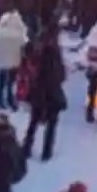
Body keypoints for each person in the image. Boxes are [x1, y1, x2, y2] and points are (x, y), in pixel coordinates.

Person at [21, 30, 65, 161]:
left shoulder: (37, 54)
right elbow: (61, 75)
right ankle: (47, 151)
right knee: (51, 125)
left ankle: (27, 147)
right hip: (53, 94)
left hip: (38, 92)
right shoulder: (56, 55)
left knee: (33, 121)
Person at [0, 11, 27, 110]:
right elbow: (23, 42)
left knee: (1, 82)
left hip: (1, 62)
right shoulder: (18, 31)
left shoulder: (0, 30)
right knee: (11, 83)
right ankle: (9, 99)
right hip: (14, 61)